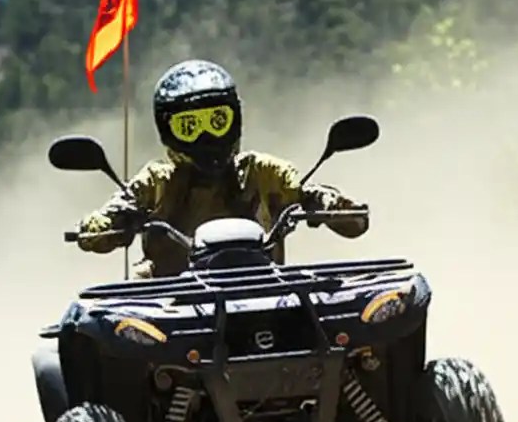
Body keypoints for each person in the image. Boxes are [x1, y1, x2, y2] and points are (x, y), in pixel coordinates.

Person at [73, 59, 369, 279]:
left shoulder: (262, 172)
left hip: (263, 290)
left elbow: (312, 196)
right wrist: (106, 224)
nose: (206, 138)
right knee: (108, 331)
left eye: (217, 122)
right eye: (189, 127)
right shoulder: (156, 181)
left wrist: (330, 205)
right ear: (167, 129)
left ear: (235, 119)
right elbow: (103, 224)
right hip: (169, 308)